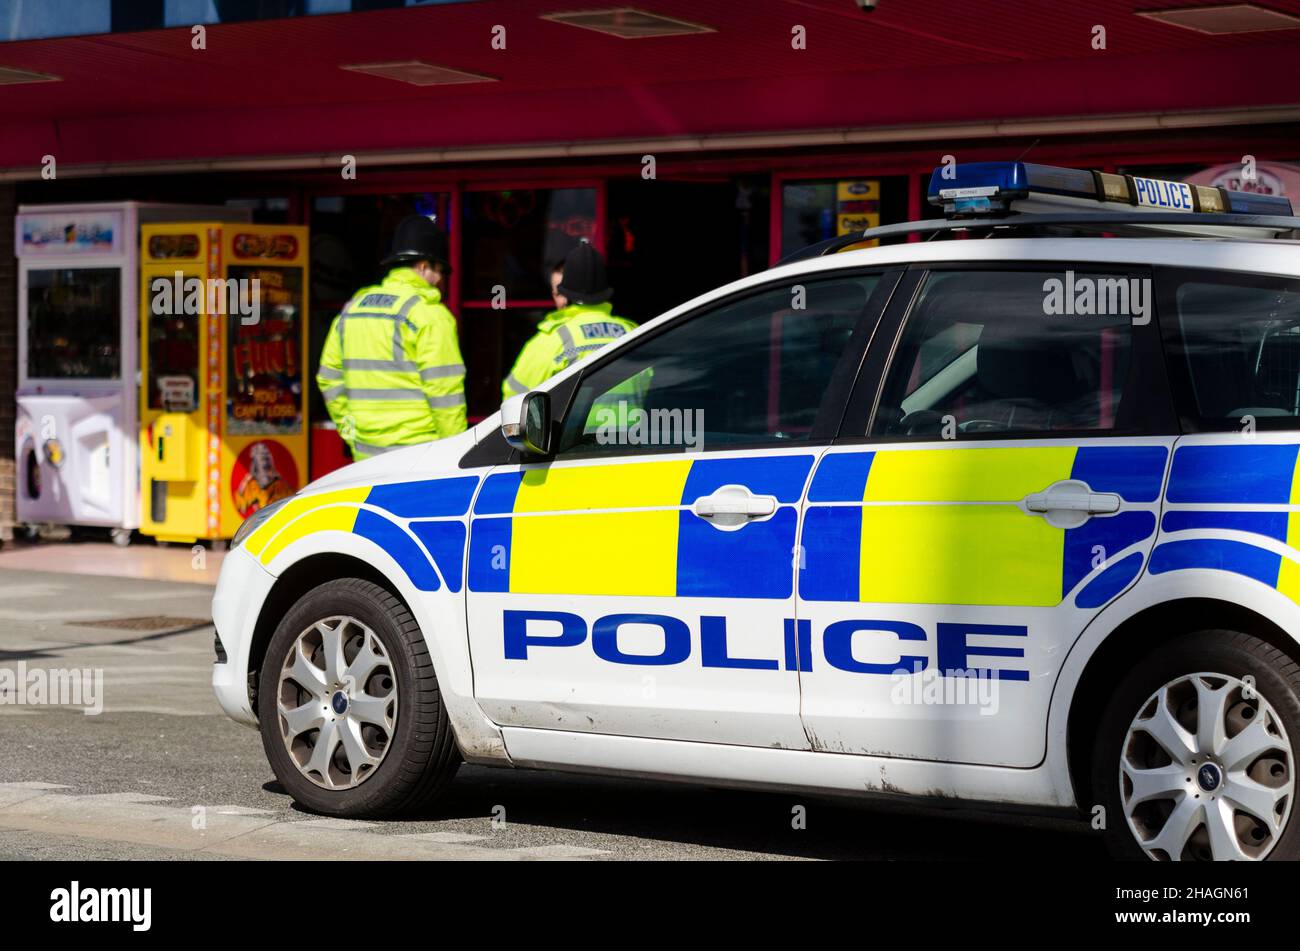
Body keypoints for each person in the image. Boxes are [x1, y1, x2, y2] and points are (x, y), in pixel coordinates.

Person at [317, 215, 467, 461]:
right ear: (422, 266)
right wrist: (455, 454)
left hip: (365, 455)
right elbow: (445, 394)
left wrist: (351, 431)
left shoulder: (353, 308)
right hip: (420, 456)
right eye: (438, 270)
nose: (440, 279)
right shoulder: (430, 315)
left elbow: (328, 377)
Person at [502, 241, 636, 400]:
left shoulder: (552, 341)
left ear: (567, 293)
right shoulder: (634, 332)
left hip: (576, 426)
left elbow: (515, 399)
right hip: (633, 425)